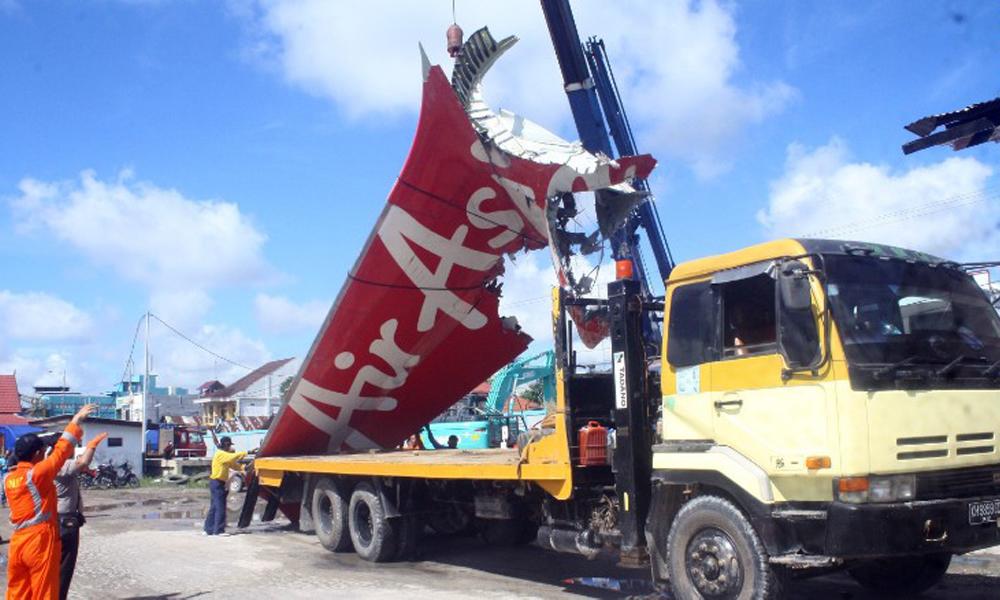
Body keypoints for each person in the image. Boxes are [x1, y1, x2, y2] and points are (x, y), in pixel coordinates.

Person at [5, 404, 95, 600]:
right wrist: (75, 422)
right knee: (44, 591)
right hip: (38, 541)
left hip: (18, 540)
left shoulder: (8, 479)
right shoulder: (36, 475)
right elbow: (61, 452)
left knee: (18, 591)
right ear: (37, 454)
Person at [54, 431, 108, 600]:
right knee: (64, 566)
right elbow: (84, 461)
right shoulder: (61, 465)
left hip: (58, 519)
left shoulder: (49, 465)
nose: (72, 450)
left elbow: (83, 466)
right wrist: (92, 445)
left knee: (57, 565)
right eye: (71, 447)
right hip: (65, 521)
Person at [204, 431, 247, 536]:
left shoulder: (223, 456)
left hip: (216, 483)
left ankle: (208, 529)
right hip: (217, 483)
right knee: (220, 507)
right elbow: (233, 457)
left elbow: (233, 465)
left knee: (214, 507)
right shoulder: (221, 454)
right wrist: (247, 452)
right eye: (229, 445)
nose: (230, 448)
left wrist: (244, 469)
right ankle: (218, 530)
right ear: (226, 445)